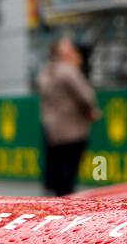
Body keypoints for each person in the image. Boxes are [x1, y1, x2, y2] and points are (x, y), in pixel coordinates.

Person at [38, 37, 100, 196]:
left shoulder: (46, 71)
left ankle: (59, 199)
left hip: (52, 128)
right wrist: (91, 111)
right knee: (69, 171)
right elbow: (86, 96)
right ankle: (66, 200)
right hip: (71, 128)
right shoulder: (68, 70)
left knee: (57, 169)